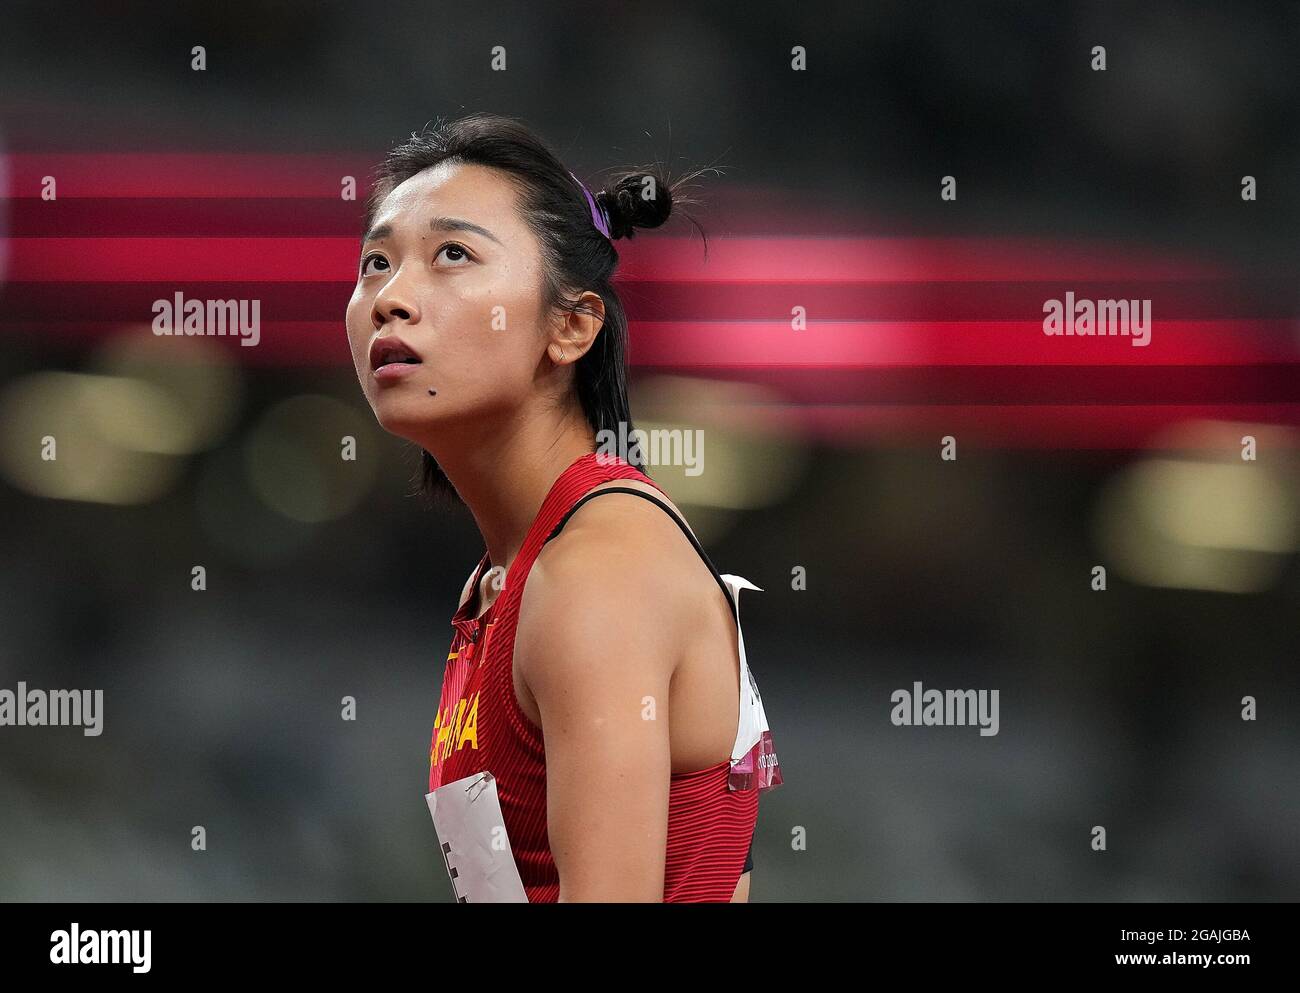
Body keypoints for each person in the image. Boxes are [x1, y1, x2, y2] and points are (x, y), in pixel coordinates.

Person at [344, 112, 780, 902]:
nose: (391, 297)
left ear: (572, 326)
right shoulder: (508, 576)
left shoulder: (596, 572)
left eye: (452, 254)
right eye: (376, 261)